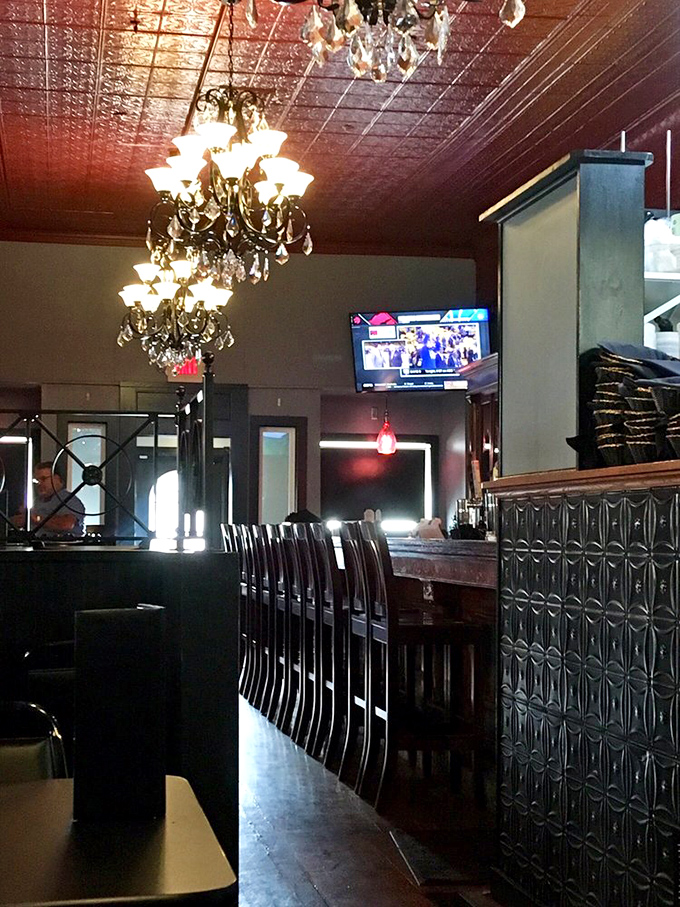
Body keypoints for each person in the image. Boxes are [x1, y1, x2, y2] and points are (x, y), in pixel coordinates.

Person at [11, 462, 86, 539]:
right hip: (38, 546)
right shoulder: (36, 501)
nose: (39, 483)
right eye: (37, 480)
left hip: (62, 548)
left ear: (56, 478)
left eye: (43, 479)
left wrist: (34, 517)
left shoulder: (69, 500)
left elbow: (66, 525)